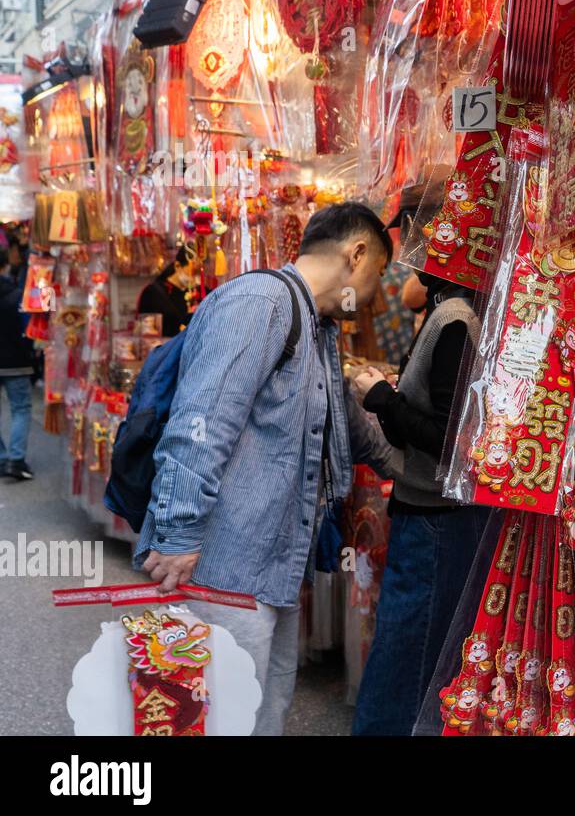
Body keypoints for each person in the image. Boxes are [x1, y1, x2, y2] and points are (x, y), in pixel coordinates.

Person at [133, 202, 402, 736]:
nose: (376, 293)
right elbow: (200, 423)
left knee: (262, 707)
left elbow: (345, 425)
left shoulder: (316, 326)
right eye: (379, 274)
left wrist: (409, 462)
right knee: (223, 713)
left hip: (271, 565)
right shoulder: (261, 303)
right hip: (222, 561)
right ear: (358, 253)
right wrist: (180, 529)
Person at [348, 269, 487, 735]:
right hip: (431, 518)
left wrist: (383, 400)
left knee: (408, 657)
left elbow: (455, 439)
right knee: (412, 651)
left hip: (438, 523)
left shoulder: (455, 319)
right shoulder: (451, 310)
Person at [0, 235, 33, 481]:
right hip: (17, 362)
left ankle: (2, 459)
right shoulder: (17, 295)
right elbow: (41, 316)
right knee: (21, 408)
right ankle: (15, 459)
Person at [137, 245, 201, 336]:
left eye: (200, 274)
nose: (197, 279)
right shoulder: (152, 292)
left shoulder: (195, 293)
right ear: (177, 266)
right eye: (194, 272)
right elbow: (146, 331)